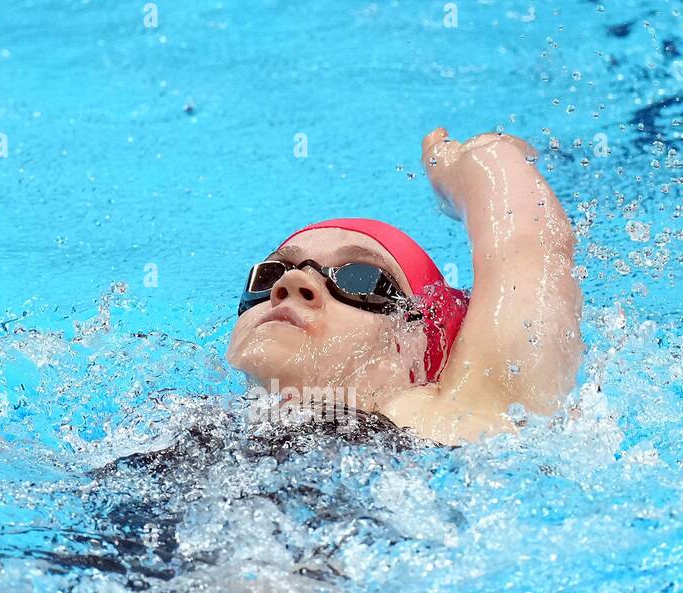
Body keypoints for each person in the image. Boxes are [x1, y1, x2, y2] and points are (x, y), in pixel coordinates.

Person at [227, 127, 583, 446]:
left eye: (358, 279)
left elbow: (531, 246)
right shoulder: (194, 418)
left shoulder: (454, 416)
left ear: (412, 345)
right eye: (272, 273)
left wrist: (474, 160)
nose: (292, 282)